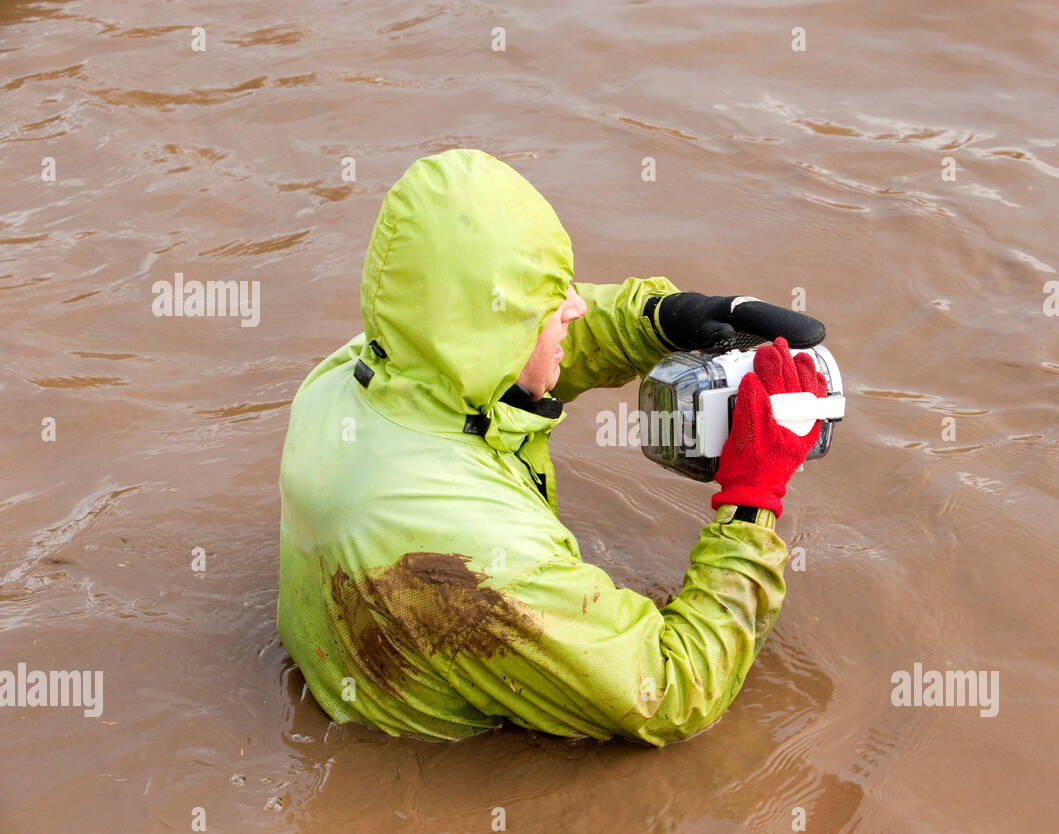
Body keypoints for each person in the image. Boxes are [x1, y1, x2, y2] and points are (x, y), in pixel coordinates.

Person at [276, 148, 827, 746]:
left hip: (354, 663)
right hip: (428, 760)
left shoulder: (351, 373)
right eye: (549, 300)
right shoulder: (485, 554)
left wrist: (660, 319)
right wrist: (753, 498)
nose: (576, 305)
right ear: (498, 327)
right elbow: (669, 694)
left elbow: (496, 348)